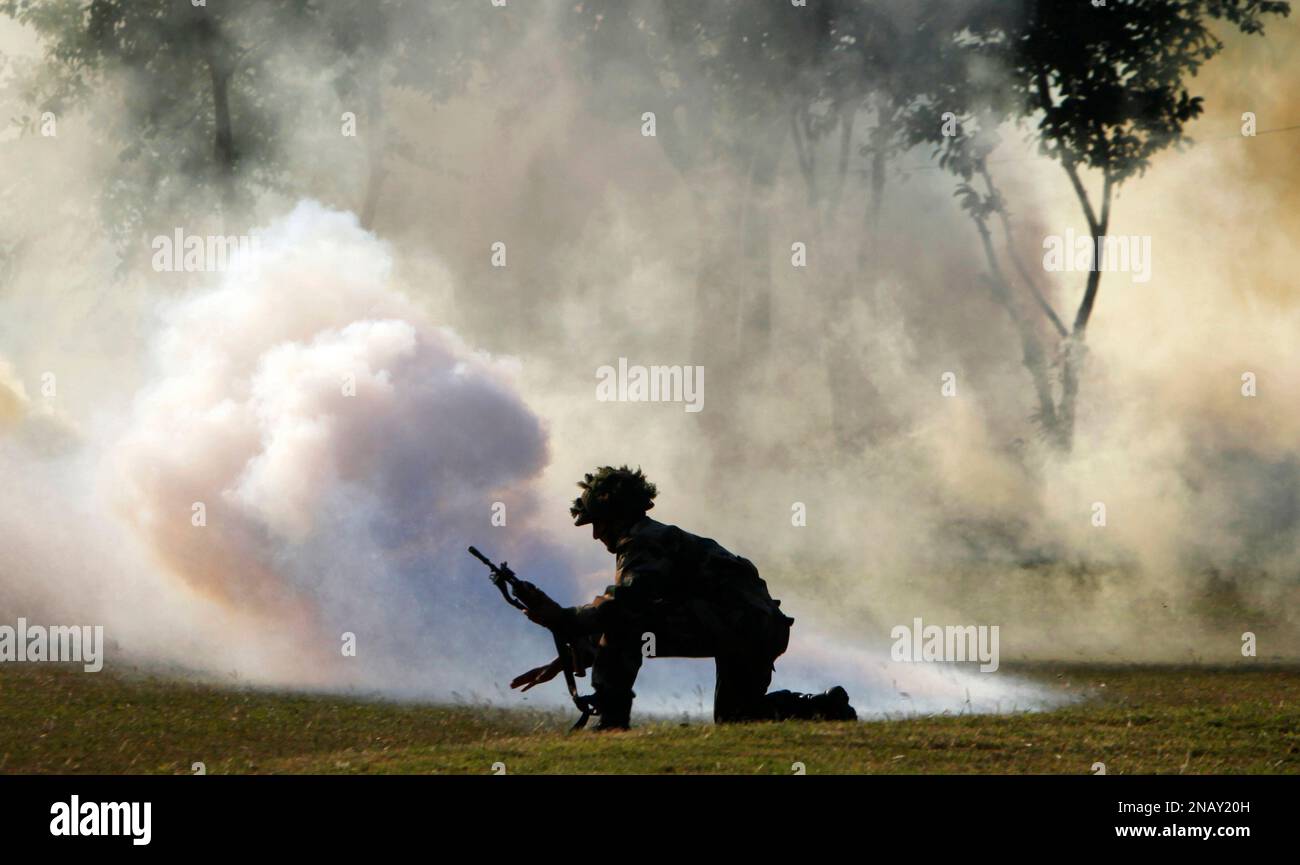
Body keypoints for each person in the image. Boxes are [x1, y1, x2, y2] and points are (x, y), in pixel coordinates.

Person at [515, 465, 857, 730]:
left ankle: (611, 721)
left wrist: (564, 619)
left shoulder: (643, 542)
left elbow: (625, 607)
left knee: (624, 623)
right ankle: (824, 707)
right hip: (754, 628)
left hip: (739, 626)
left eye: (597, 522)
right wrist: (569, 653)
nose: (594, 534)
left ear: (614, 516)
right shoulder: (655, 538)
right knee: (738, 720)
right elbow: (639, 609)